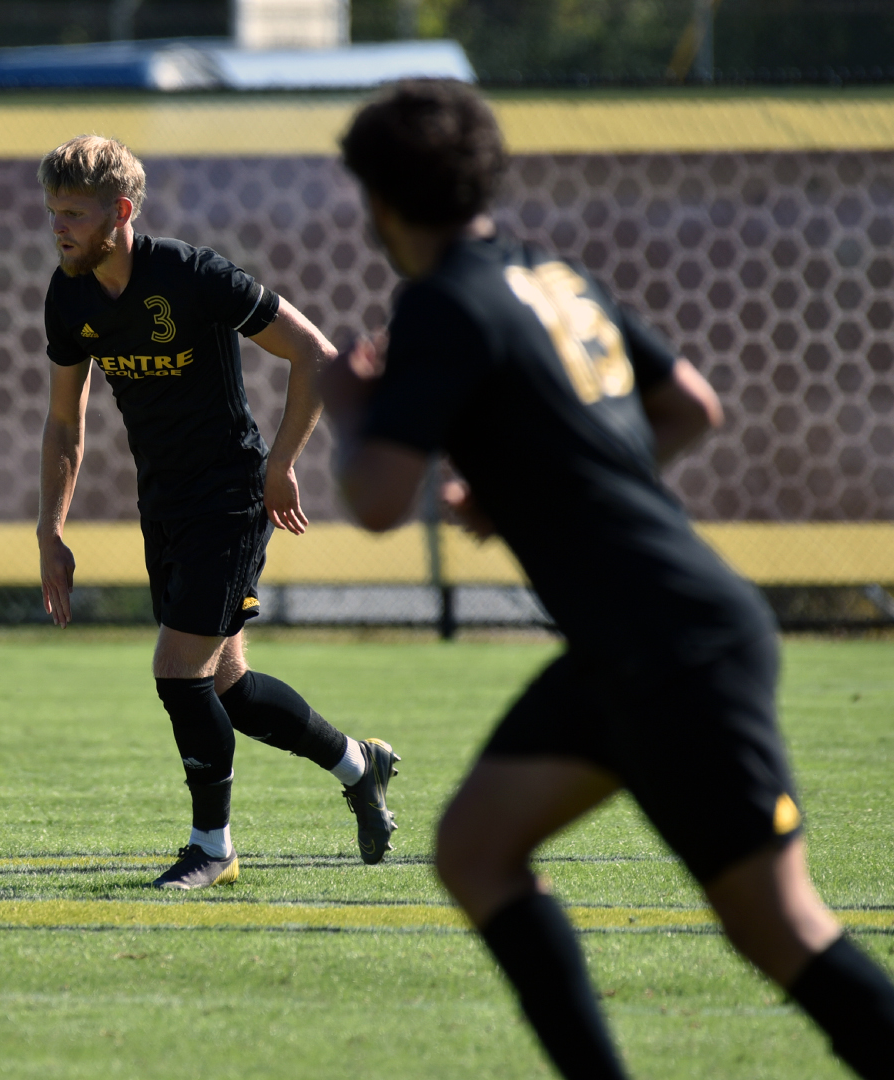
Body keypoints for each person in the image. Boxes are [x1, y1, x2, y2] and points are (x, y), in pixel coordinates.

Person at [323, 79, 894, 1079]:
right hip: (633, 641)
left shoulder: (441, 303)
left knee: (781, 928)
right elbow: (691, 408)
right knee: (473, 849)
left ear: (380, 200)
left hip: (671, 644)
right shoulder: (550, 275)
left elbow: (376, 501)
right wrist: (528, 487)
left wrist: (344, 404)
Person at [35, 134, 401, 891]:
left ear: (121, 212)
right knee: (227, 686)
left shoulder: (192, 276)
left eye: (73, 212)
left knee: (177, 671)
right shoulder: (68, 296)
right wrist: (50, 529)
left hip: (230, 497)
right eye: (52, 213)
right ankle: (359, 765)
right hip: (162, 501)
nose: (59, 227)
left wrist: (280, 467)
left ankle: (213, 848)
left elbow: (314, 353)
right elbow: (65, 423)